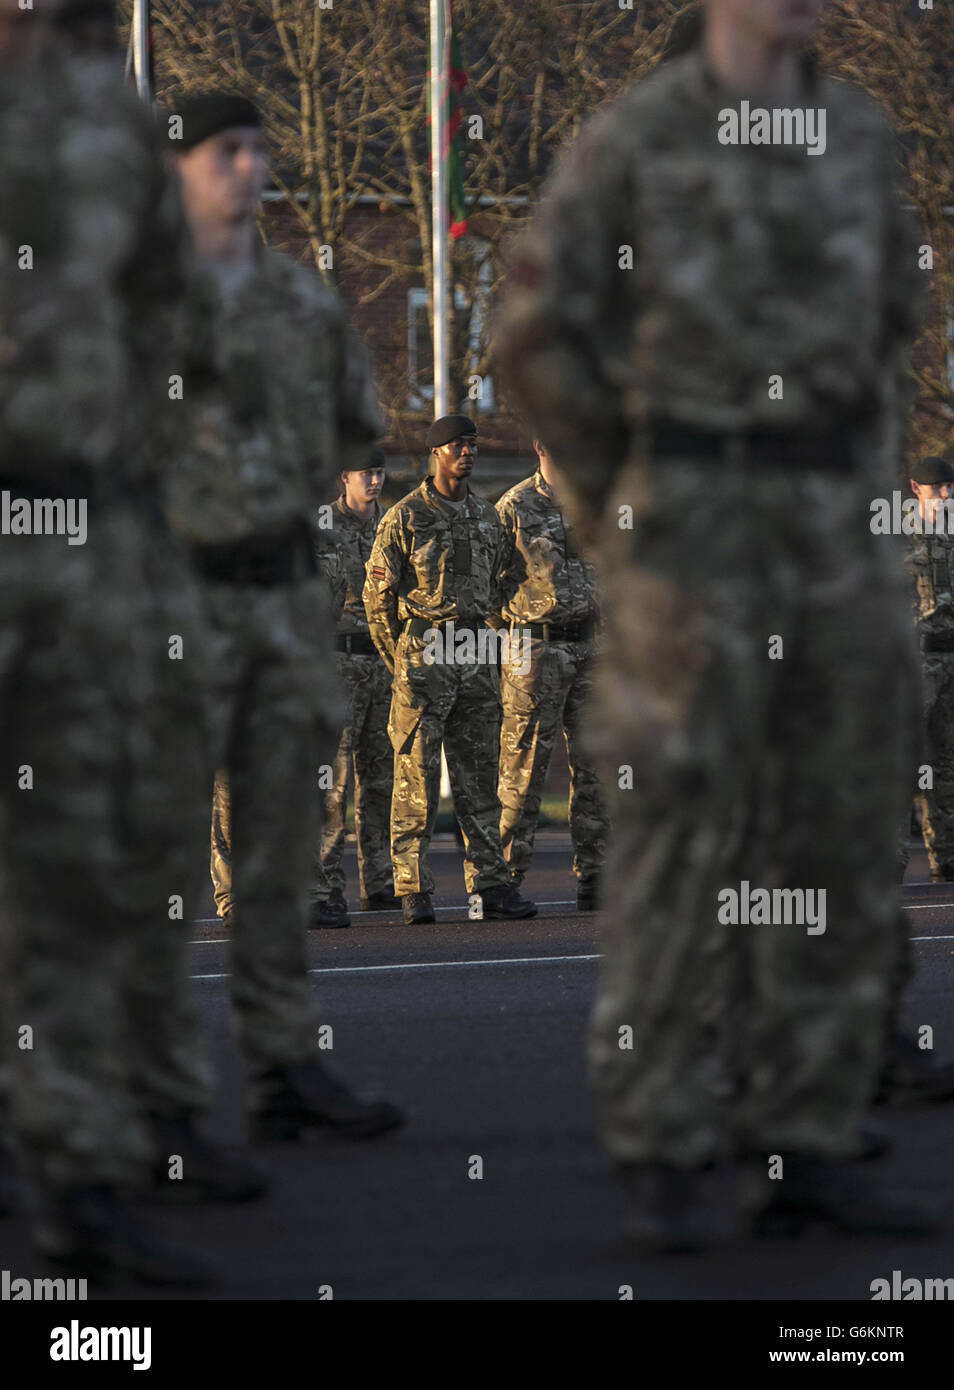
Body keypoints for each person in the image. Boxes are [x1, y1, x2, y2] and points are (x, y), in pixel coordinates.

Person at [496, 0, 932, 1247]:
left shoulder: (855, 132)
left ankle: (806, 1132)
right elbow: (535, 329)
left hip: (834, 532)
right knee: (683, 832)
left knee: (843, 838)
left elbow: (890, 329)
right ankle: (662, 1138)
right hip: (692, 524)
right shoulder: (638, 139)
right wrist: (618, 500)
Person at [0, 0, 258, 1286]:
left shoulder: (101, 114)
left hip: (81, 542)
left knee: (76, 866)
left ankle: (76, 1171)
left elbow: (170, 319)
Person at [165, 92, 402, 1142]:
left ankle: (282, 1064)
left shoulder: (300, 306)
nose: (248, 167)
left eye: (259, 150)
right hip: (164, 606)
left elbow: (355, 433)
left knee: (277, 849)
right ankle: (148, 1100)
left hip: (278, 601)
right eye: (225, 151)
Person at [363, 416, 537, 925]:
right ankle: (412, 887)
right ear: (435, 453)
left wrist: (490, 618)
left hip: (476, 650)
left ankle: (489, 884)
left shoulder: (488, 515)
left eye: (472, 444)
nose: (468, 452)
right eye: (458, 445)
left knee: (479, 775)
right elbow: (378, 597)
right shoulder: (406, 516)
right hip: (426, 650)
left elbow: (511, 574)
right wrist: (400, 657)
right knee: (415, 772)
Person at [495, 439, 608, 908]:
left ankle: (596, 875)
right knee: (524, 768)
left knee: (597, 766)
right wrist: (516, 638)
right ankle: (503, 878)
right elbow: (487, 582)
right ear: (541, 446)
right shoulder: (514, 506)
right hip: (536, 648)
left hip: (591, 645)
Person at [311, 447, 399, 927]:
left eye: (380, 472)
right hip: (337, 660)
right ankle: (326, 885)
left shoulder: (393, 524)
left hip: (384, 661)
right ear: (344, 476)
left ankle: (380, 881)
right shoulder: (321, 525)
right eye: (365, 473)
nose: (374, 480)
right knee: (335, 780)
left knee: (381, 778)